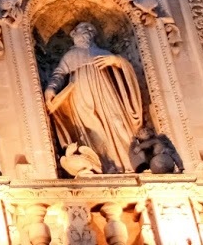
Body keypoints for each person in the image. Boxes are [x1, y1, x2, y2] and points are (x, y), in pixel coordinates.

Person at [45, 22, 145, 174]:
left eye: (88, 30)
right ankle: (103, 167)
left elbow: (126, 71)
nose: (84, 33)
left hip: (106, 94)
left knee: (117, 123)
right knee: (92, 129)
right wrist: (51, 88)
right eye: (81, 30)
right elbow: (58, 74)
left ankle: (128, 164)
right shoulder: (71, 55)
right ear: (74, 35)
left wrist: (116, 61)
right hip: (80, 96)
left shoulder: (103, 53)